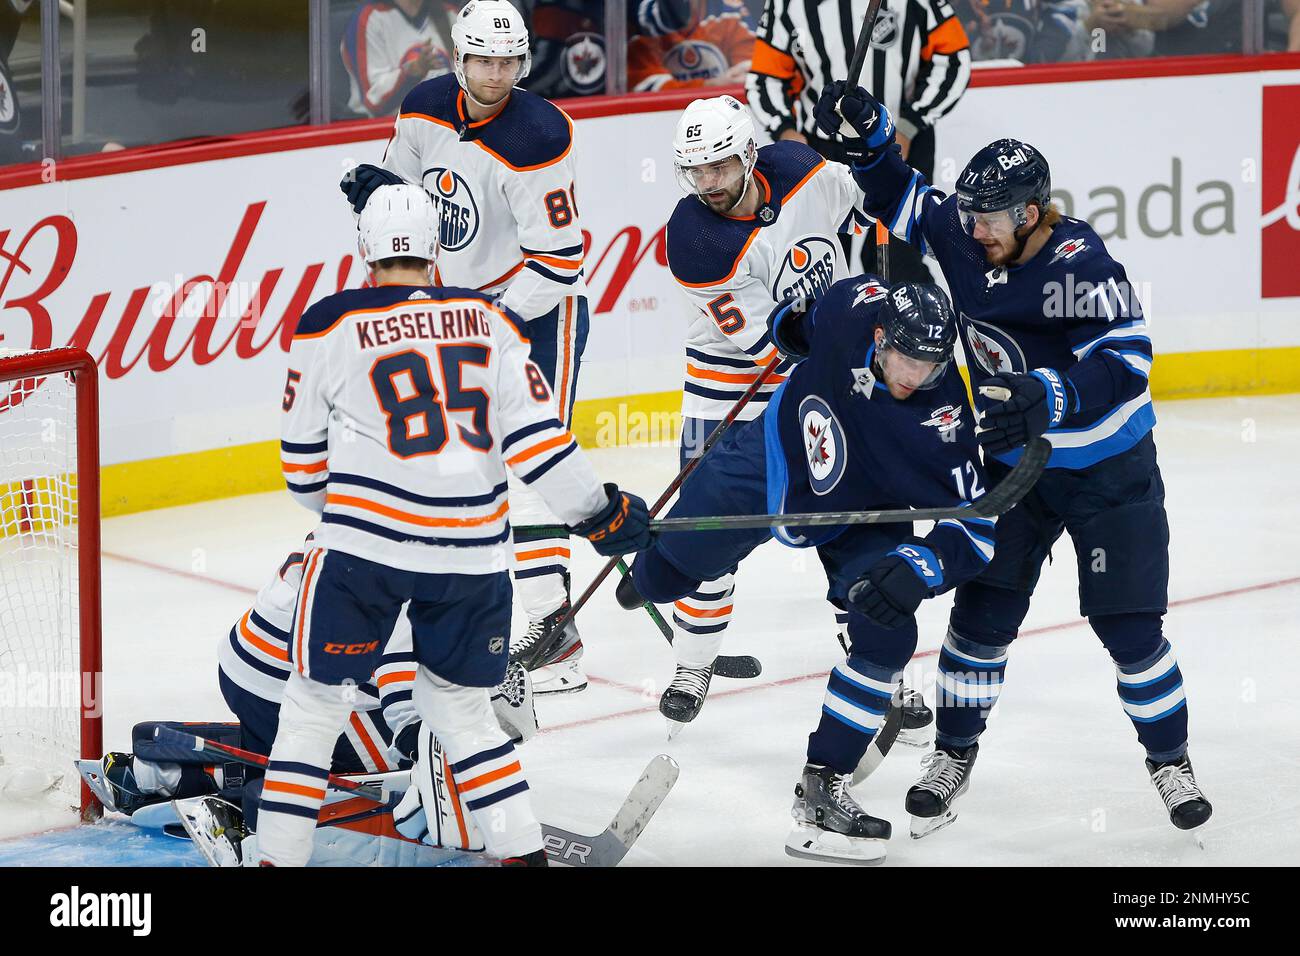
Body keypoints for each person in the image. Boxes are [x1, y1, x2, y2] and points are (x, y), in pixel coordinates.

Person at [815, 80, 1213, 836]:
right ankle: (954, 752)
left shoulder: (1077, 264)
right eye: (968, 214)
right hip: (1012, 471)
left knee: (1130, 631)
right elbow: (901, 195)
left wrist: (1051, 393)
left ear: (1029, 213)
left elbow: (1129, 358)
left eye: (989, 216)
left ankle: (1169, 759)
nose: (973, 229)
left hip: (1107, 474)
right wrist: (870, 139)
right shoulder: (968, 240)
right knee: (980, 619)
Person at [259, 183, 650, 867]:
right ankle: (524, 859)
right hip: (470, 559)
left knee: (313, 713)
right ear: (438, 251)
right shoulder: (490, 321)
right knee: (463, 716)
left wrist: (355, 510)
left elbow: (300, 471)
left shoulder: (328, 321)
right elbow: (540, 445)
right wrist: (601, 513)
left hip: (361, 555)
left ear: (365, 251)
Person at [621, 277, 994, 864]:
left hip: (868, 514)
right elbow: (792, 324)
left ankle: (822, 785)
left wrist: (919, 567)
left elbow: (977, 530)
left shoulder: (946, 426)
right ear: (879, 335)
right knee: (664, 578)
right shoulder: (851, 305)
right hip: (773, 461)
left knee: (888, 632)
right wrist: (789, 329)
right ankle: (646, 576)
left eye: (930, 364)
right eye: (904, 357)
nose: (913, 375)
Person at [660, 94, 933, 743]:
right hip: (728, 383)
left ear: (749, 155)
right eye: (696, 172)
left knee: (856, 525)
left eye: (720, 167)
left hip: (826, 376)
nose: (709, 183)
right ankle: (691, 665)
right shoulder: (695, 241)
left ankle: (885, 669)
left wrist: (870, 147)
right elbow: (773, 341)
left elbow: (868, 199)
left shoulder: (802, 169)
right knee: (709, 528)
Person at [341, 0, 594, 695]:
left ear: (522, 63)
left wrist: (491, 322)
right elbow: (407, 195)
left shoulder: (539, 135)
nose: (495, 74)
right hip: (462, 313)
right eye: (482, 59)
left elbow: (561, 264)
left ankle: (555, 633)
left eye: (508, 61)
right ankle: (450, 615)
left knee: (533, 456)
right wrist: (378, 194)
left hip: (539, 313)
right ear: (460, 57)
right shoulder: (424, 106)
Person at [75, 547, 539, 865]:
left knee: (306, 740)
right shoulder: (419, 556)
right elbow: (400, 681)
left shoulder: (380, 507)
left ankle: (159, 774)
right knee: (386, 765)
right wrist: (427, 751)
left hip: (248, 660)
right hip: (288, 678)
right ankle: (254, 830)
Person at [746, 0, 971, 284]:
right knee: (820, 263)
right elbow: (765, 78)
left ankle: (917, 326)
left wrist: (910, 123)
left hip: (898, 140)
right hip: (822, 149)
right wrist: (787, 132)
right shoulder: (788, 4)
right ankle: (838, 327)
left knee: (898, 259)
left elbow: (952, 59)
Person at [340, 0, 458, 118]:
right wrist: (411, 72)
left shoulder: (451, 14)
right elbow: (373, 101)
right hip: (383, 130)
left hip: (445, 127)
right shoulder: (369, 18)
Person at [628, 0, 756, 92]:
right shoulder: (643, 17)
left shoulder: (730, 12)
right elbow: (644, 88)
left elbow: (751, 77)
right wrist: (711, 85)